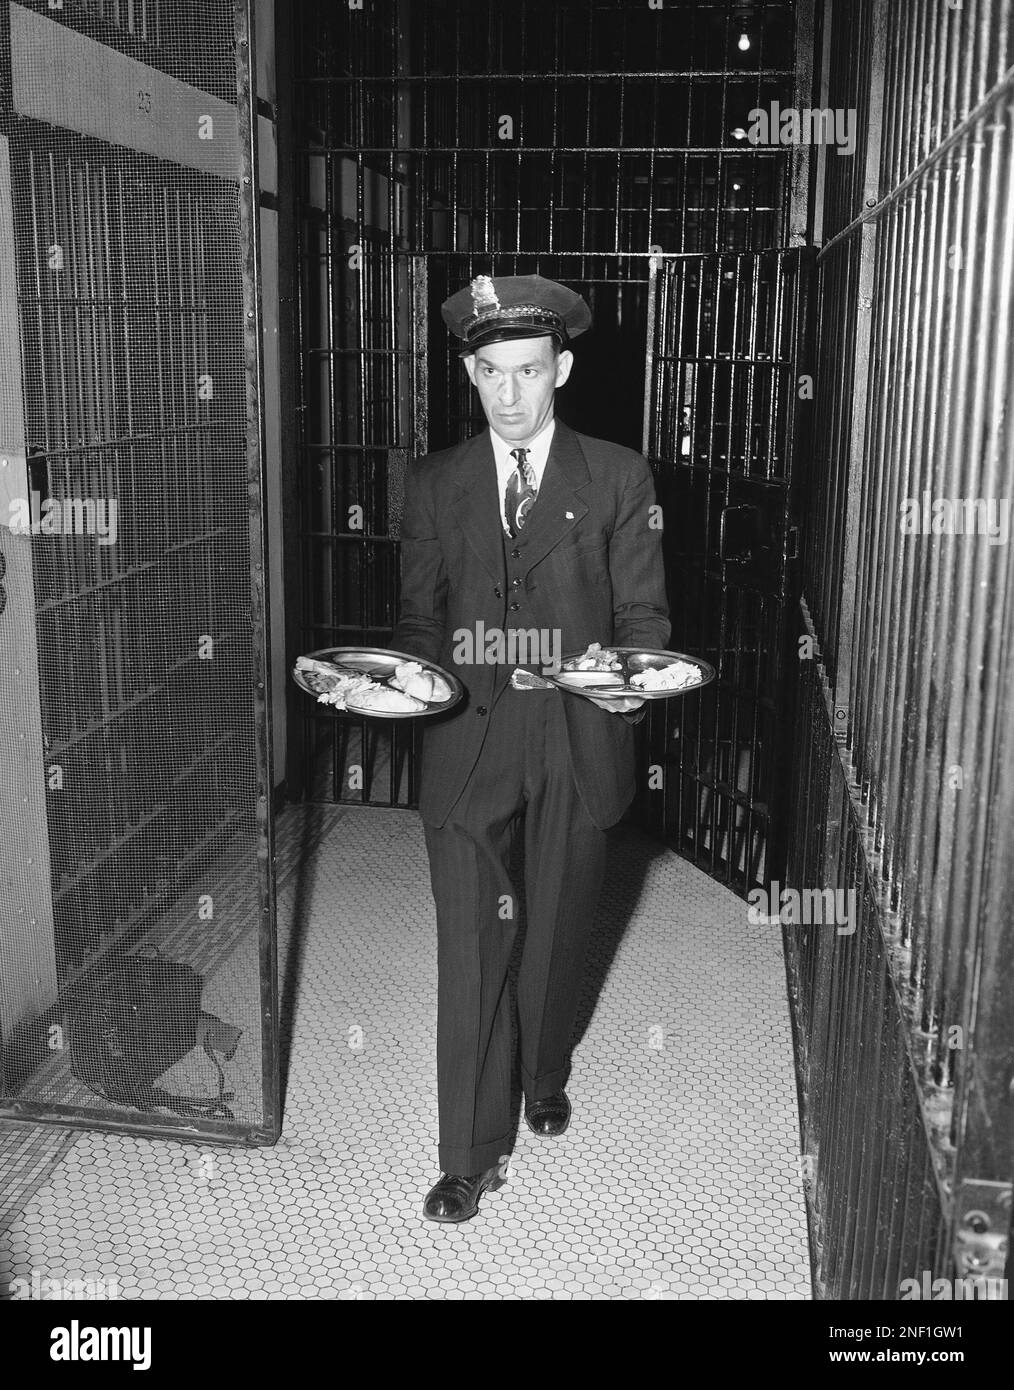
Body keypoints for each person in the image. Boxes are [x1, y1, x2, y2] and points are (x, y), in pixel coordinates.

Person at [391, 273, 670, 1222]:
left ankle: (545, 1068)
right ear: (469, 374)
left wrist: (624, 677)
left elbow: (643, 617)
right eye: (490, 374)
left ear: (563, 368)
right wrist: (401, 683)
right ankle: (469, 1152)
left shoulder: (618, 476)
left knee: (553, 929)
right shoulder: (433, 482)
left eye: (528, 371)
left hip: (574, 730)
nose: (510, 396)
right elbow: (422, 620)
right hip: (467, 738)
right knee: (471, 947)